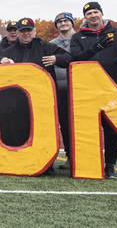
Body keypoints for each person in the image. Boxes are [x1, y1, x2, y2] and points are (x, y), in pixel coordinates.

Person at [68, 2, 117, 179]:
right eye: (89, 13)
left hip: (111, 88)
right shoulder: (78, 37)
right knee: (86, 129)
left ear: (101, 13)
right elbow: (74, 58)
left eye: (95, 12)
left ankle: (110, 165)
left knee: (110, 129)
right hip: (86, 89)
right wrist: (95, 48)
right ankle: (88, 164)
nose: (93, 16)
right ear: (84, 17)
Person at [0, 17, 72, 176]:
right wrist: (0, 59)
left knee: (43, 132)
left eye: (29, 30)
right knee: (17, 131)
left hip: (42, 101)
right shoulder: (9, 50)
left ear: (34, 32)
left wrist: (56, 59)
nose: (26, 34)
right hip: (17, 101)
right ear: (18, 33)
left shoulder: (47, 47)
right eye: (22, 31)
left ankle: (45, 165)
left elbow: (69, 57)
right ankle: (16, 163)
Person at [49, 12, 75, 170]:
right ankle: (70, 157)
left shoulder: (80, 41)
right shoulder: (51, 44)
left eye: (66, 21)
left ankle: (85, 156)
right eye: (60, 22)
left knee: (79, 124)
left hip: (78, 88)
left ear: (72, 23)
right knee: (64, 124)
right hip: (59, 88)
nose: (63, 23)